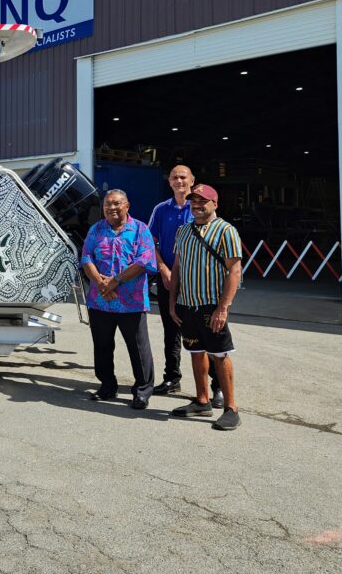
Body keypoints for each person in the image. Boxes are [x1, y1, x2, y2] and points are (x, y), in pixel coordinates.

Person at [168, 184, 243, 431]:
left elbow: (234, 270)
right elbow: (177, 268)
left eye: (203, 201)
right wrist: (172, 302)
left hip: (212, 304)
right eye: (194, 202)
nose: (197, 206)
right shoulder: (183, 231)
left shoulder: (226, 231)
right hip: (187, 303)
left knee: (220, 354)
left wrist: (223, 308)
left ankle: (231, 408)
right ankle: (202, 400)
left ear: (215, 204)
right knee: (195, 351)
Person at [147, 166, 221, 406]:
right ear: (169, 182)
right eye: (174, 177)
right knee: (172, 331)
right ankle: (172, 378)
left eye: (183, 177)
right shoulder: (160, 210)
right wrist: (163, 269)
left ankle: (217, 387)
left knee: (206, 333)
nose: (179, 181)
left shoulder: (199, 207)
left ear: (192, 180)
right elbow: (151, 243)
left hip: (199, 282)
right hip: (169, 278)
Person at [80, 189, 157, 410]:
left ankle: (142, 391)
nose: (111, 208)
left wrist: (114, 281)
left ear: (127, 205)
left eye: (116, 204)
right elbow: (86, 258)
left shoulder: (140, 230)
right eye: (107, 205)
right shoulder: (96, 229)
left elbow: (143, 261)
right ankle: (107, 386)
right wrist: (101, 284)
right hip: (100, 301)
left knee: (138, 348)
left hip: (131, 303)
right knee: (102, 345)